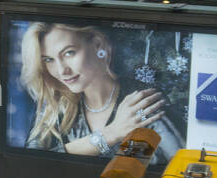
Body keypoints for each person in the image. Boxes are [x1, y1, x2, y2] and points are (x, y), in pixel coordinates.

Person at [20, 21, 177, 163]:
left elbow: (184, 168)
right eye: (48, 60)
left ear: (97, 44)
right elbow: (28, 165)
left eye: (69, 53)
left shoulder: (142, 100)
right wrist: (109, 134)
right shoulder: (55, 103)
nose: (62, 71)